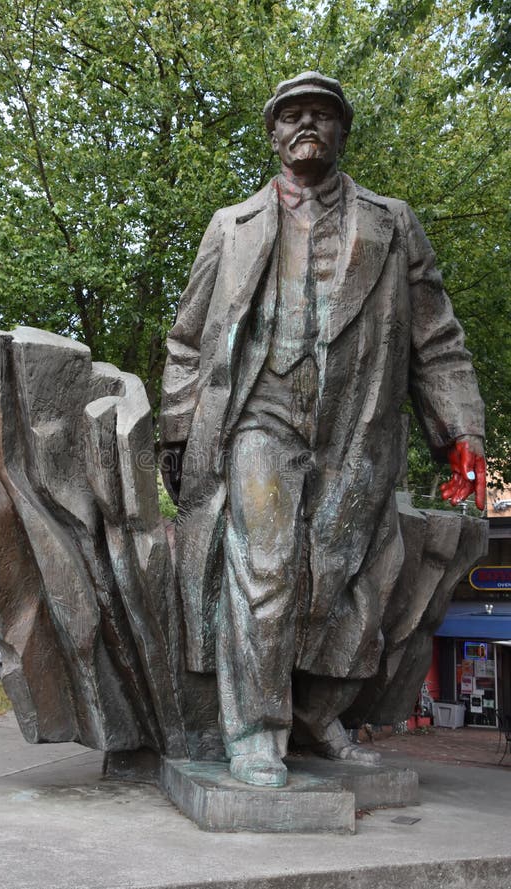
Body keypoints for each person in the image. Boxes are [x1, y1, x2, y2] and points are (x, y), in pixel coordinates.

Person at [160, 71, 486, 787]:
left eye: (322, 115)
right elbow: (187, 340)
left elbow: (436, 338)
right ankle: (254, 728)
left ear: (342, 131)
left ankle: (314, 713)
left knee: (344, 581)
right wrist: (179, 433)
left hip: (357, 426)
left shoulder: (393, 223)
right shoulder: (231, 226)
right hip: (260, 416)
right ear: (274, 134)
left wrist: (461, 429)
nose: (307, 125)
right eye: (292, 115)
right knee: (265, 566)